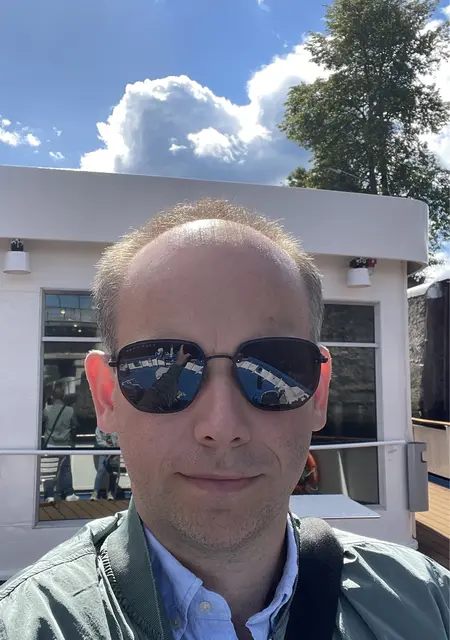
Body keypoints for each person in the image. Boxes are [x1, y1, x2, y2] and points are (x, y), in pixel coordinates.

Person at [0, 199, 448, 639]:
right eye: (160, 367)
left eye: (277, 364)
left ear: (319, 394)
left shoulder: (431, 601)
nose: (222, 427)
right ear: (106, 396)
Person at [41, 384, 79, 503]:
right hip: (65, 444)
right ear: (63, 397)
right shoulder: (70, 410)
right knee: (66, 470)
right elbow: (75, 425)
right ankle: (68, 494)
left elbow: (41, 423)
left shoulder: (47, 410)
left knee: (50, 470)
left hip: (50, 444)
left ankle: (49, 495)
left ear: (52, 396)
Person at [90, 427, 120, 501]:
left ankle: (110, 493)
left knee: (113, 472)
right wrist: (106, 445)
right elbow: (99, 439)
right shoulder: (99, 426)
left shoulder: (116, 425)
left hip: (115, 451)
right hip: (104, 451)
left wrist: (117, 444)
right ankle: (95, 492)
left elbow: (120, 436)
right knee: (101, 470)